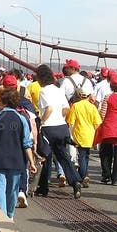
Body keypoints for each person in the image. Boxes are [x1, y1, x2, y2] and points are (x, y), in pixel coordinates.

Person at [0, 84, 37, 219]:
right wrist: (31, 162)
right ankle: (10, 215)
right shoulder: (22, 119)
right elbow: (26, 143)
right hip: (16, 160)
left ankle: (2, 215)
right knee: (12, 189)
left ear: (4, 103)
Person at [35, 63, 83, 198]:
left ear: (40, 78)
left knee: (46, 158)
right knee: (63, 156)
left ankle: (43, 188)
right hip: (61, 128)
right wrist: (60, 118)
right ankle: (75, 182)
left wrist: (42, 122)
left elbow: (48, 109)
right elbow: (66, 108)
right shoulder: (58, 90)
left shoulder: (43, 91)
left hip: (48, 129)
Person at [66, 89, 102, 185]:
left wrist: (71, 134)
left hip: (79, 133)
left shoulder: (75, 106)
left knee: (81, 156)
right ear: (88, 96)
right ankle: (85, 174)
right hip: (90, 134)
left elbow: (71, 122)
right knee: (86, 155)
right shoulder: (92, 107)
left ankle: (84, 175)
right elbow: (97, 123)